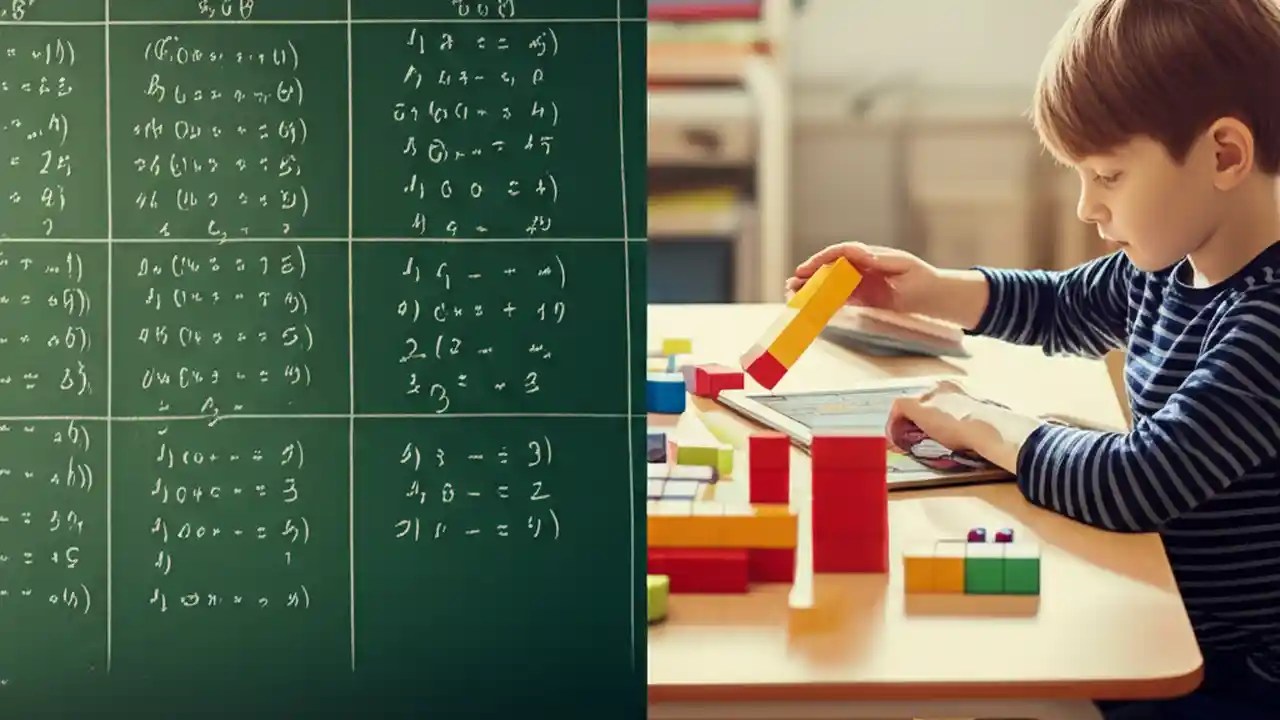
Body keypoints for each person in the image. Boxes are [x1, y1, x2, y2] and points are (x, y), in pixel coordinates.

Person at [786, 1, 1280, 718]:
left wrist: (979, 421)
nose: (1086, 207)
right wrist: (924, 290)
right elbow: (1064, 308)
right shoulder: (1177, 266)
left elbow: (1136, 482)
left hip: (1230, 678)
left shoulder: (1267, 320)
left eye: (1107, 176)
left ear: (1225, 155)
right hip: (1159, 615)